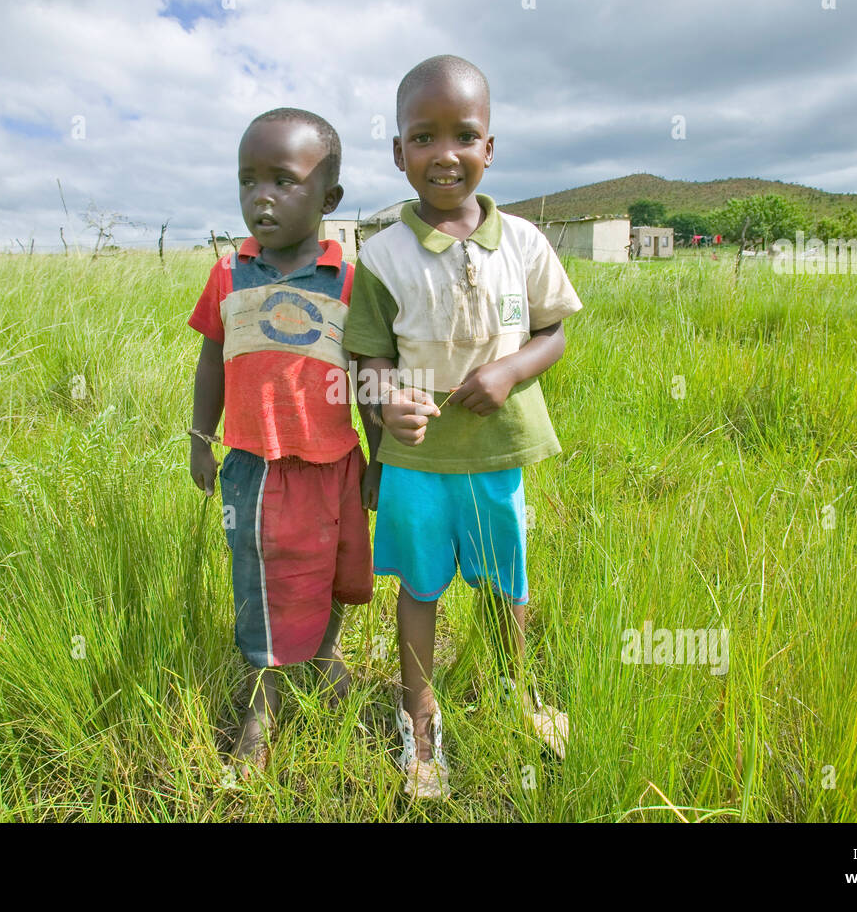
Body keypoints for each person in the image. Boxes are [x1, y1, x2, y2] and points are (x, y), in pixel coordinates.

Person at [343, 56, 582, 799]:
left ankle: (521, 695)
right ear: (398, 153)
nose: (444, 153)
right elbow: (367, 358)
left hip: (496, 451)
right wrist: (385, 404)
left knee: (505, 581)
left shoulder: (526, 243)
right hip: (418, 463)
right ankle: (419, 714)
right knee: (419, 588)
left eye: (464, 135)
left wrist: (511, 371)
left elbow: (554, 331)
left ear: (489, 148)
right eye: (423, 136)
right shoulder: (380, 256)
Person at [188, 107, 380, 779]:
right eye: (247, 181)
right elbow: (211, 361)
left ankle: (325, 657)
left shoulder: (350, 283)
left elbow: (365, 377)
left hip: (333, 464)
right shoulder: (229, 274)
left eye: (283, 181)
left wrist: (378, 456)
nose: (260, 198)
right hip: (254, 467)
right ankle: (261, 704)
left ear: (329, 199)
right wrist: (198, 439)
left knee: (334, 570)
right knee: (259, 580)